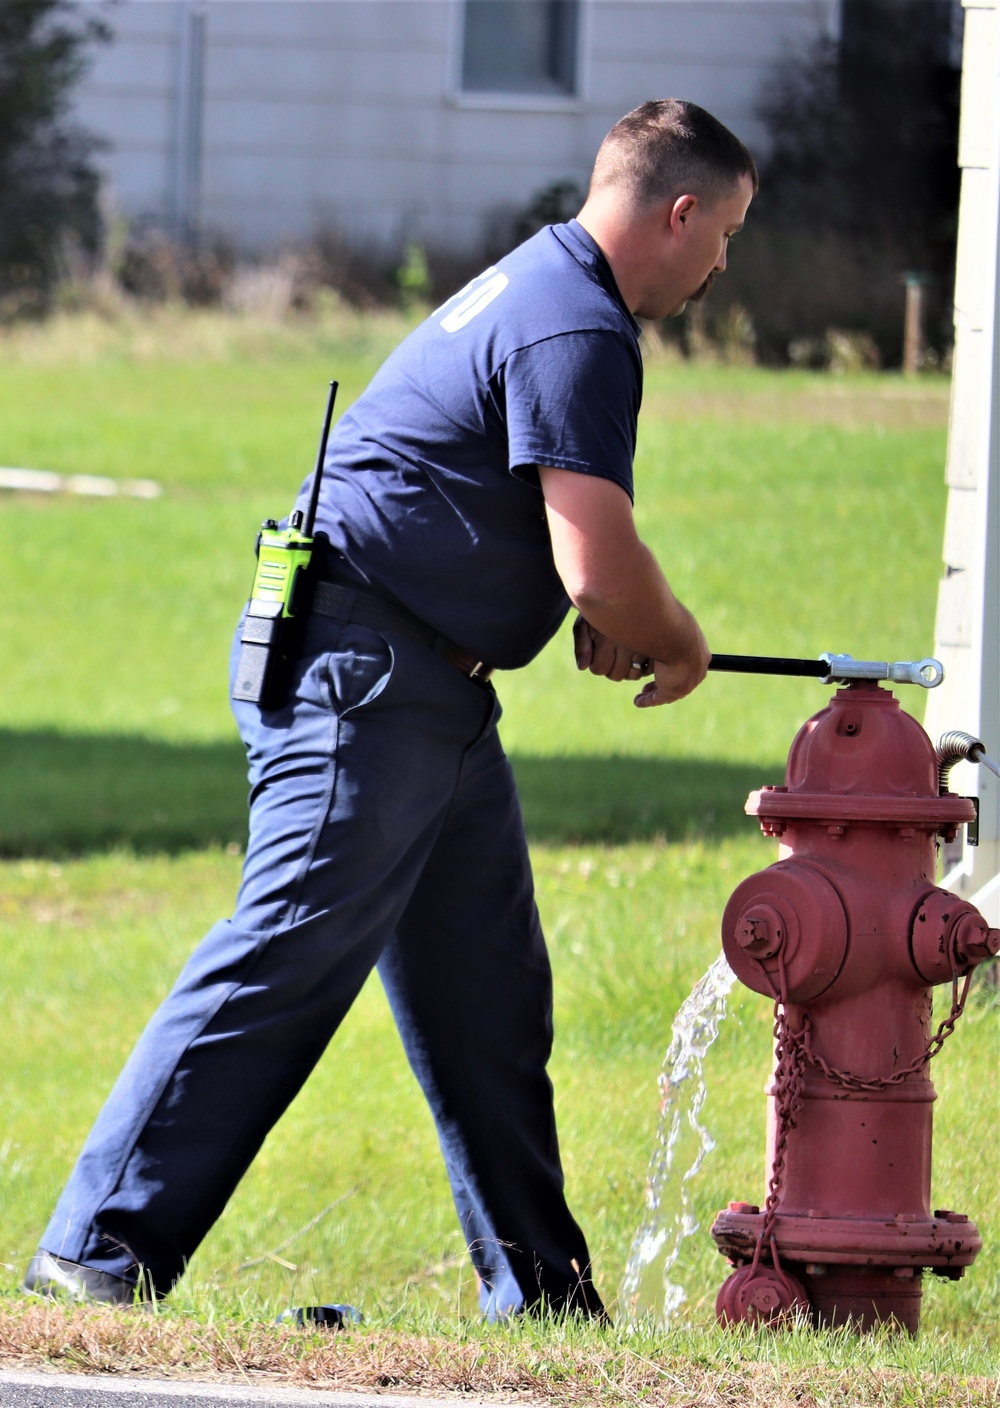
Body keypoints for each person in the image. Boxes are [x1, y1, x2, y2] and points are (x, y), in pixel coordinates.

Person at [25, 99, 756, 1318]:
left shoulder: (535, 280)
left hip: (421, 683)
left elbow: (498, 503)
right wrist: (671, 638)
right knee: (286, 950)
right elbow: (597, 557)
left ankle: (543, 1299)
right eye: (725, 230)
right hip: (365, 674)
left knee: (487, 998)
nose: (725, 261)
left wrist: (570, 597)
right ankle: (92, 1250)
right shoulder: (578, 323)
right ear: (678, 213)